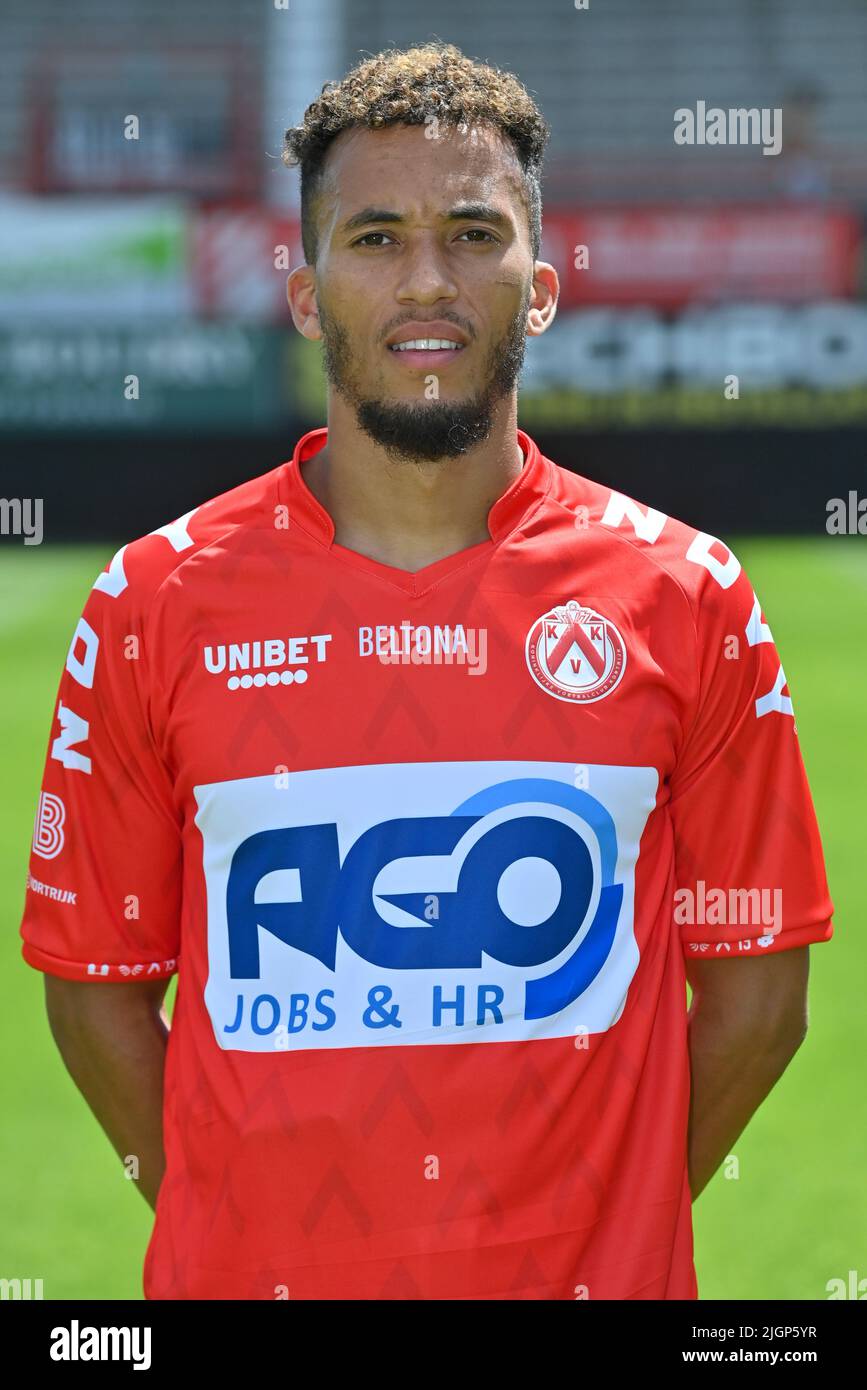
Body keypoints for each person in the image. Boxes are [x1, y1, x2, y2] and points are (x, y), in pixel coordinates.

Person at [20, 41, 833, 1300]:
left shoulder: (684, 594)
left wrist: (605, 1232)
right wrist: (235, 1214)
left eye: (471, 232)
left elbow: (760, 993)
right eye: (376, 237)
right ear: (304, 290)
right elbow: (97, 991)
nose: (427, 281)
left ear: (543, 285)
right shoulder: (153, 599)